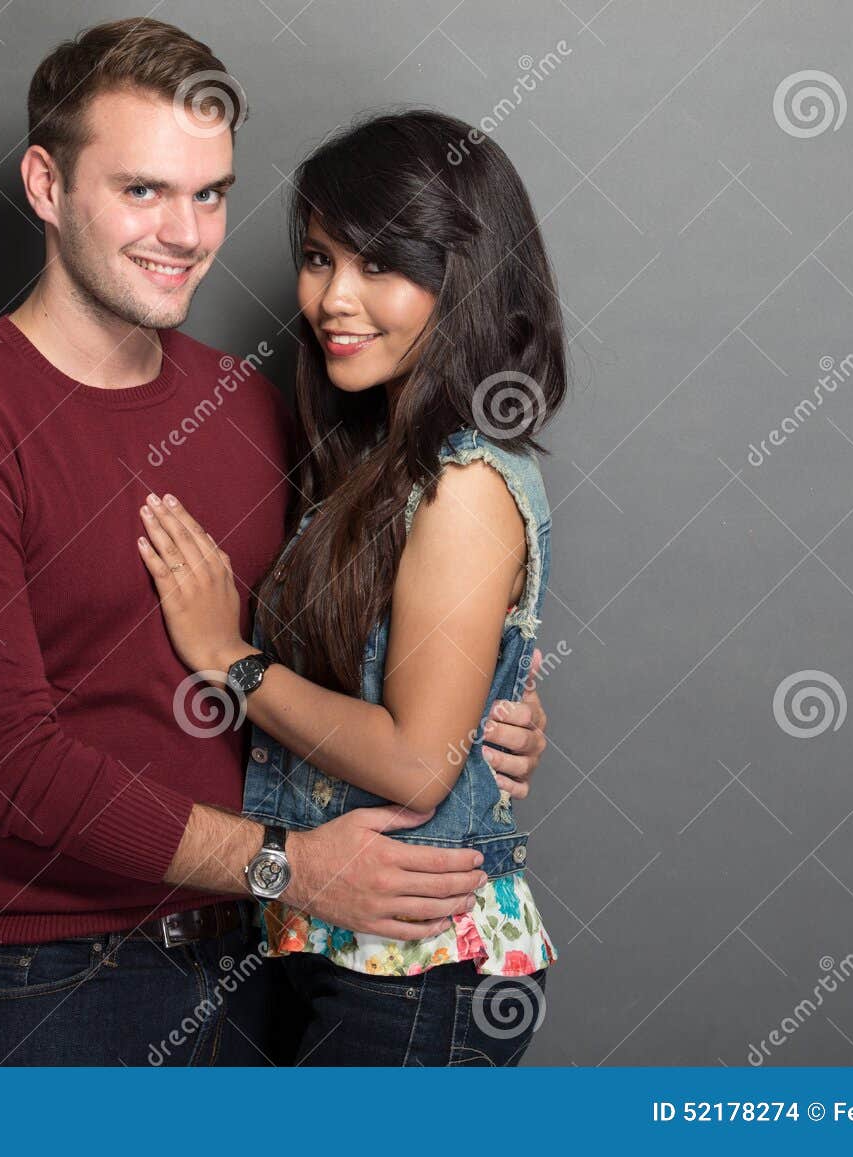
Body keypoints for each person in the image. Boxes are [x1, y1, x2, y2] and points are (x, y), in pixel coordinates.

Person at [0, 18, 551, 1066]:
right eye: (142, 190)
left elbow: (348, 636)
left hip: (271, 960)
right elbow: (4, 763)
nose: (183, 232)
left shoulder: (244, 406)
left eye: (209, 193)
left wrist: (488, 712)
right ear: (46, 187)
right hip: (54, 978)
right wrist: (289, 865)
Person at [133, 108, 566, 1065]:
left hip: (422, 969)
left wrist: (229, 660)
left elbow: (419, 762)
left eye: (380, 264)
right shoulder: (371, 463)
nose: (335, 296)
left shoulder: (463, 483)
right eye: (321, 256)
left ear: (467, 274)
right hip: (335, 947)